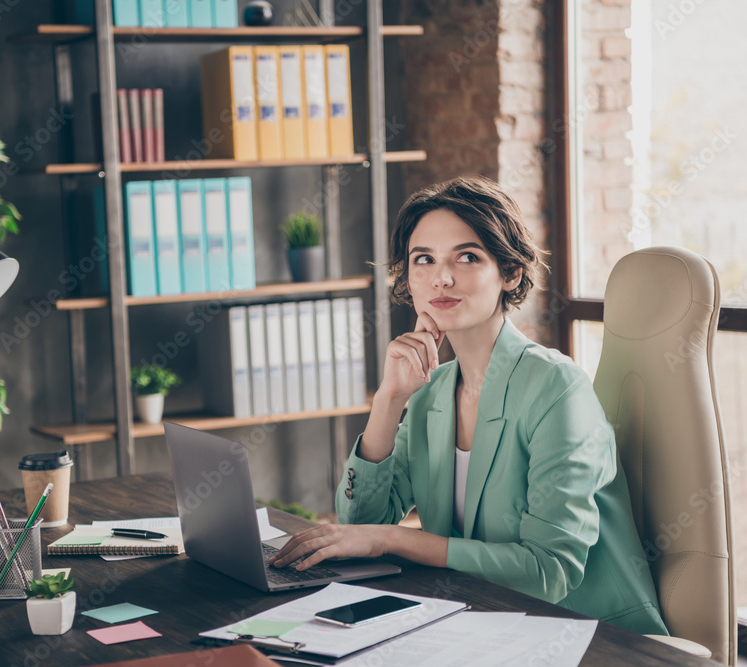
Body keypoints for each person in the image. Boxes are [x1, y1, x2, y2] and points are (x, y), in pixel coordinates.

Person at [269, 176, 668, 635]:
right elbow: (362, 524)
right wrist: (388, 402)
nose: (442, 276)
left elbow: (548, 572)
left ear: (510, 273)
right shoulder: (433, 391)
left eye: (468, 256)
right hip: (479, 618)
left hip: (590, 635)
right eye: (424, 260)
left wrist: (396, 540)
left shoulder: (556, 388)